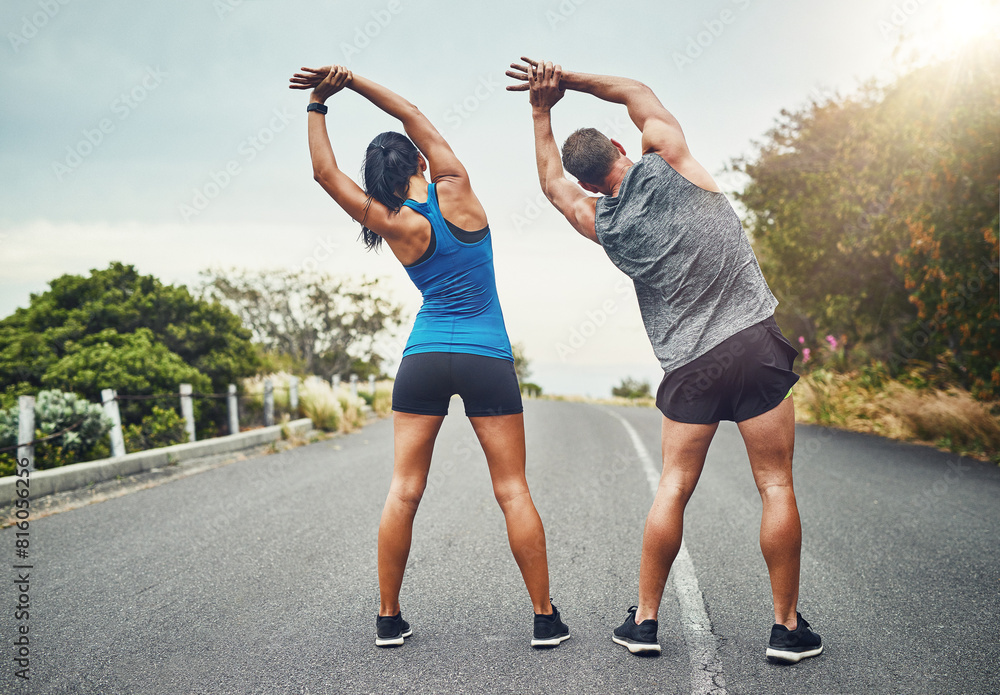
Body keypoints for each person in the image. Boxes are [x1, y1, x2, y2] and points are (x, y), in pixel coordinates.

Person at [506, 57, 822, 663]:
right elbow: (636, 90)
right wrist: (564, 81)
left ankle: (646, 622)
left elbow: (552, 185)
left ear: (592, 183)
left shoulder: (603, 222)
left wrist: (540, 112)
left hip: (691, 367)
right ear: (623, 145)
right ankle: (786, 629)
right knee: (775, 484)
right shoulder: (669, 158)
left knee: (673, 487)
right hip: (754, 344)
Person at [289, 65, 569, 649]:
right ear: (417, 160)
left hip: (423, 356)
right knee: (512, 489)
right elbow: (409, 112)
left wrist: (318, 106)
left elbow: (322, 172)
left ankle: (388, 618)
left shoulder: (391, 222)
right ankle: (545, 618)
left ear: (379, 179)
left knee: (404, 488)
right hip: (485, 355)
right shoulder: (455, 185)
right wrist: (352, 82)